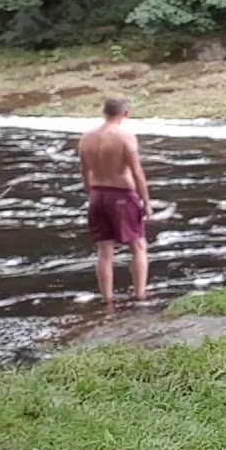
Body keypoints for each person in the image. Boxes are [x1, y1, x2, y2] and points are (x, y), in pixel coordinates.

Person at [78, 97, 152, 306]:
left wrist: (91, 194)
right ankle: (140, 295)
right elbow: (137, 172)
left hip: (97, 194)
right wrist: (145, 201)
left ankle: (107, 300)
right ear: (125, 114)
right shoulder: (125, 137)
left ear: (104, 112)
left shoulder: (86, 137)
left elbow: (84, 171)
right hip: (121, 195)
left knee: (104, 251)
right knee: (138, 245)